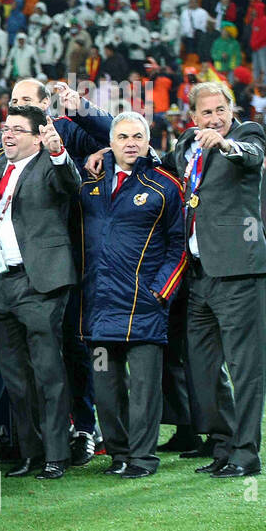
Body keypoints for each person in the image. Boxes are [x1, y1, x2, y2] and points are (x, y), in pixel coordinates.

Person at [160, 82, 266, 478]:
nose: (214, 119)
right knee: (203, 368)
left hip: (238, 268)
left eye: (220, 109)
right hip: (198, 274)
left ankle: (247, 453)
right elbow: (162, 168)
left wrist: (225, 145)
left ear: (232, 108)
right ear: (193, 117)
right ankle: (224, 444)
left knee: (245, 367)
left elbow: (252, 156)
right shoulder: (186, 144)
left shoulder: (246, 135)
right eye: (206, 113)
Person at [79, 112, 187, 479]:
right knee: (106, 392)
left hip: (144, 308)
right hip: (98, 311)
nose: (130, 143)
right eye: (123, 136)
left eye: (137, 136)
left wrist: (160, 292)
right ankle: (120, 455)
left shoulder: (165, 186)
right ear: (110, 142)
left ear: (148, 141)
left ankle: (142, 459)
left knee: (144, 392)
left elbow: (179, 246)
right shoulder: (90, 185)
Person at [0, 104, 82, 480]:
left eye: (17, 130)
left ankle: (57, 454)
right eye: (5, 129)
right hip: (1, 282)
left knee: (48, 372)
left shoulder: (48, 164)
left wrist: (59, 152)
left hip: (39, 281)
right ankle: (30, 453)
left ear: (39, 136)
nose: (7, 135)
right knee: (15, 377)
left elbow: (71, 184)